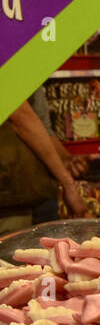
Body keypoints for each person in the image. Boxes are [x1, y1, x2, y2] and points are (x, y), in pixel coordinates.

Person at [0, 99, 88, 232]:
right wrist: (69, 184)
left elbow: (42, 128)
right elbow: (21, 118)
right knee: (16, 248)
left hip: (35, 188)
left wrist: (66, 158)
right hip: (12, 194)